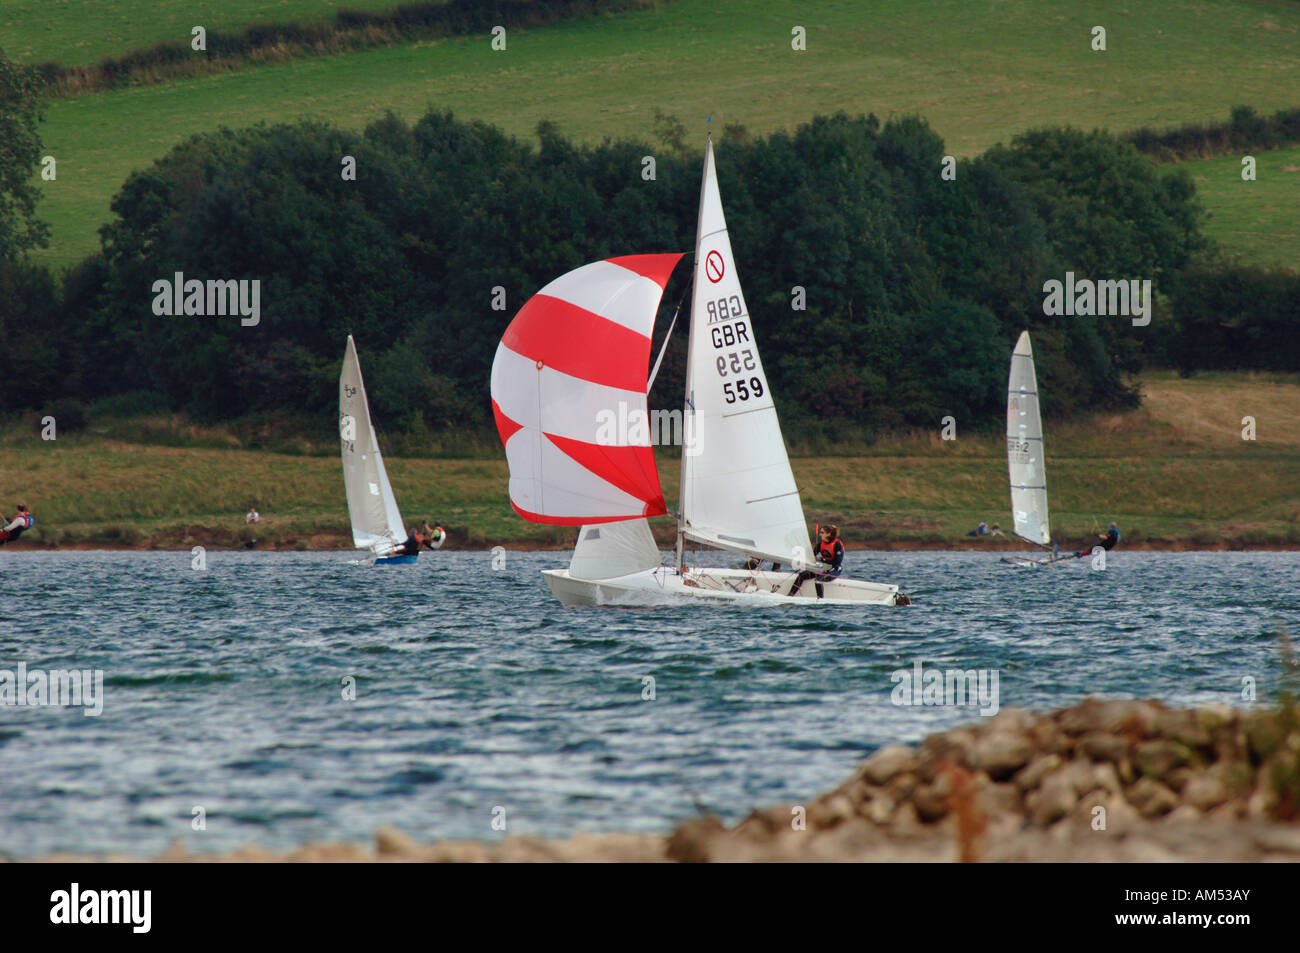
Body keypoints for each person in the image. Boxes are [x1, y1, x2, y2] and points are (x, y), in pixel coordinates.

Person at [788, 524, 844, 598]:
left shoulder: (837, 544)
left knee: (818, 579)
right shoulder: (820, 544)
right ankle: (790, 595)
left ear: (829, 534)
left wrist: (822, 559)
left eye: (822, 532)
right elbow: (811, 556)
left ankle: (820, 599)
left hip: (834, 569)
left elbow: (837, 562)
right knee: (801, 576)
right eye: (820, 532)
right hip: (823, 568)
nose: (820, 534)